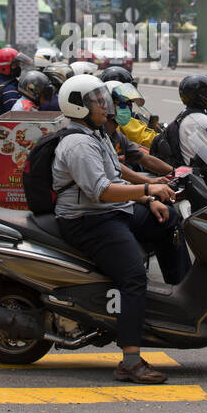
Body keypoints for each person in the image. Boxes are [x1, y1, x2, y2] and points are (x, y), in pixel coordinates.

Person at [52, 75, 188, 384]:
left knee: (167, 221)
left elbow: (117, 174)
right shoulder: (78, 144)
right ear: (79, 107)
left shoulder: (97, 133)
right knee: (134, 276)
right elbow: (101, 191)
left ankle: (179, 301)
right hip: (88, 220)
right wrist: (146, 193)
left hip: (110, 210)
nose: (105, 104)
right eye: (97, 100)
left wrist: (149, 199)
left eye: (103, 98)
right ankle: (129, 360)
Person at [160, 73, 207, 167]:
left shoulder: (182, 116)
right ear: (202, 95)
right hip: (200, 176)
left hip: (188, 172)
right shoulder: (204, 122)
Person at [111, 83, 157, 148]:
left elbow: (137, 154)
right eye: (123, 103)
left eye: (130, 103)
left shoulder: (118, 136)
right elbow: (147, 138)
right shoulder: (102, 135)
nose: (128, 107)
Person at [0, 47, 26, 116]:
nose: (19, 67)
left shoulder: (4, 82)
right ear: (4, 67)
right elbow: (16, 115)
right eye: (16, 65)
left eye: (18, 64)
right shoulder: (9, 89)